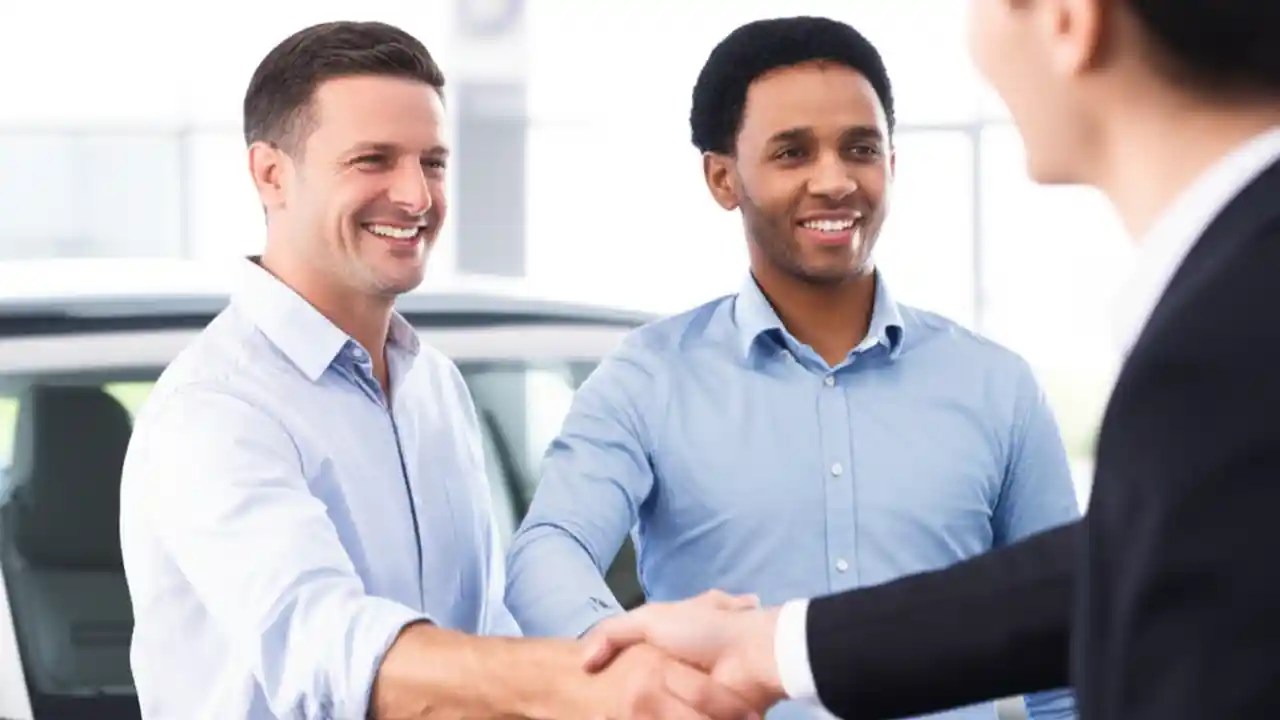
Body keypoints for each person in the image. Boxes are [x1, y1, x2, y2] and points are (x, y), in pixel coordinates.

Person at [581, 1, 1280, 718]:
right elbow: (1100, 574)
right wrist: (767, 648)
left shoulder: (1224, 335)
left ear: (1070, 20)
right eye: (793, 151)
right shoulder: (1232, 302)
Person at [118, 20, 760, 720]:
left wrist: (628, 667)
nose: (417, 196)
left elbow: (483, 638)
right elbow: (329, 648)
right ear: (271, 174)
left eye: (432, 162)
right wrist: (599, 681)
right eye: (373, 160)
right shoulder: (217, 408)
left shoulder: (434, 384)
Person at [504, 15, 1079, 719]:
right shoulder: (647, 381)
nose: (834, 180)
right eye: (792, 153)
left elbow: (1070, 641)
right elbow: (548, 549)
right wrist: (621, 658)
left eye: (859, 148)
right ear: (723, 177)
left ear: (892, 165)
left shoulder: (998, 387)